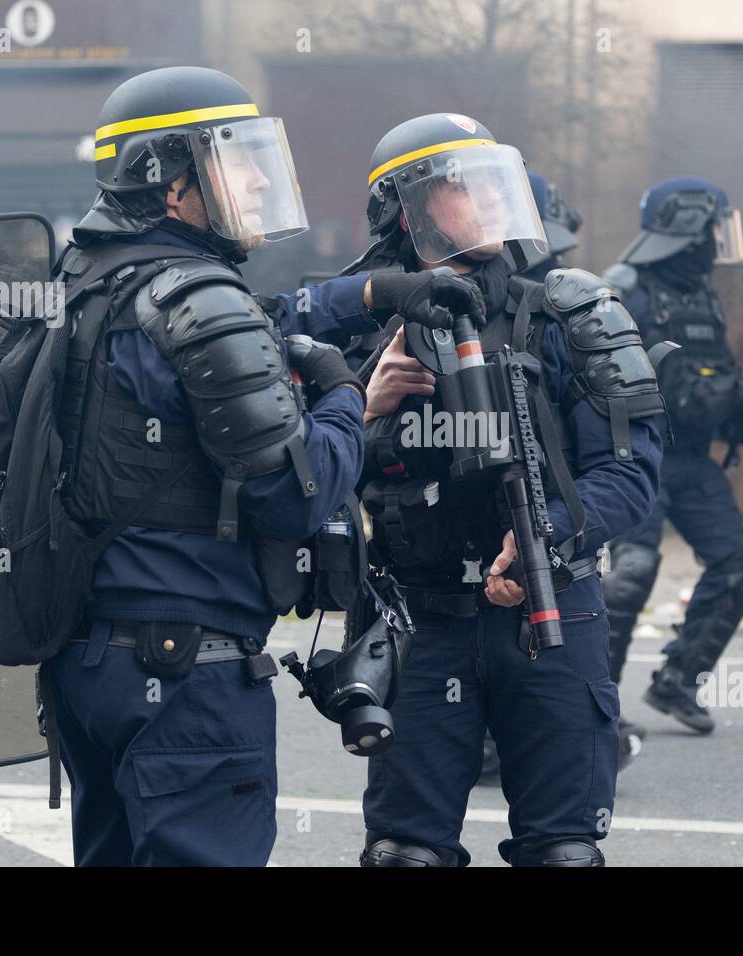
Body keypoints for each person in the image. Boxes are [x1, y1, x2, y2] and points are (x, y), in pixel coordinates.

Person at [42, 67, 478, 866]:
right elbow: (292, 494)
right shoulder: (202, 299)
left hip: (89, 663)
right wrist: (351, 398)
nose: (254, 179)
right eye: (233, 160)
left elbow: (262, 322)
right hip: (186, 678)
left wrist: (374, 290)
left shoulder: (90, 281)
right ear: (172, 182)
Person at [347, 113, 665, 866]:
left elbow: (630, 474)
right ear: (410, 209)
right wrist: (365, 403)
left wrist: (542, 537)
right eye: (463, 188)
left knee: (565, 853)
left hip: (552, 609)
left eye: (496, 184)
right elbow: (296, 482)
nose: (488, 202)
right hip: (421, 617)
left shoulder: (570, 311)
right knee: (404, 855)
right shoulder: (360, 328)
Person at [601, 177, 743, 734]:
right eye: (714, 227)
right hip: (637, 453)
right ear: (692, 226)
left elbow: (709, 371)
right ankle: (589, 707)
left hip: (691, 457)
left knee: (740, 563)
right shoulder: (624, 287)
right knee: (633, 573)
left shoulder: (702, 295)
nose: (718, 239)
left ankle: (679, 679)